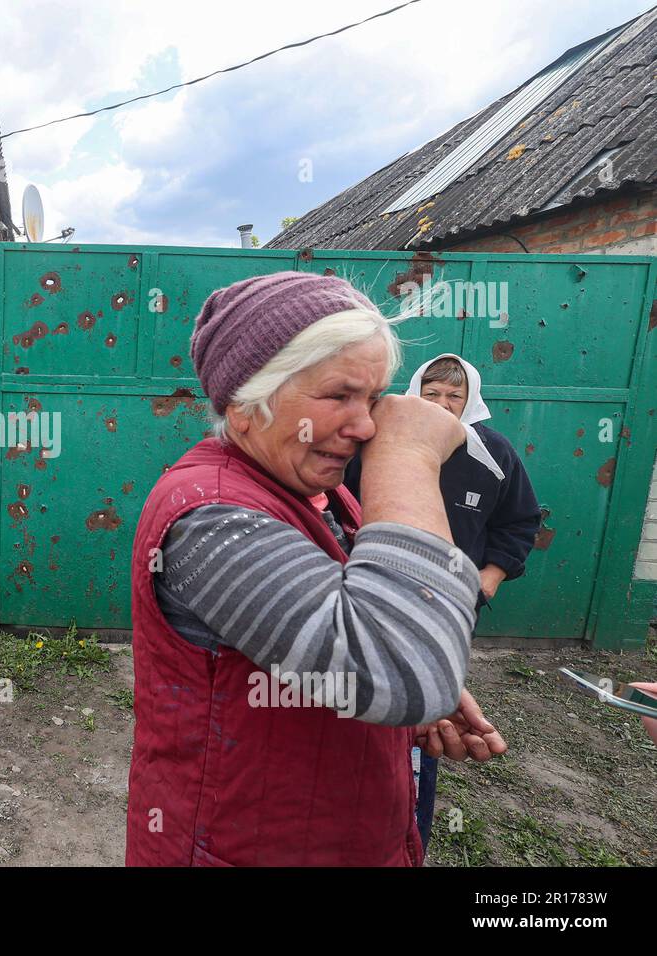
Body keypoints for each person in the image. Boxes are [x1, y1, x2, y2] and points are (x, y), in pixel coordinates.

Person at [126, 271, 493, 867]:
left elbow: (364, 640)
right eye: (337, 395)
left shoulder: (316, 493)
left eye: (373, 398)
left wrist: (418, 701)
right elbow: (404, 671)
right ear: (246, 403)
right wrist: (408, 455)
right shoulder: (212, 519)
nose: (367, 426)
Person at [345, 353, 531, 853]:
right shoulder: (377, 443)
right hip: (370, 605)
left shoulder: (494, 454)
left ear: (473, 401)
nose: (444, 406)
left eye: (455, 396)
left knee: (424, 704)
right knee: (361, 699)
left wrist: (486, 582)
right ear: (414, 395)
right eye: (432, 395)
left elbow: (518, 523)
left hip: (448, 614)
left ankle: (407, 822)